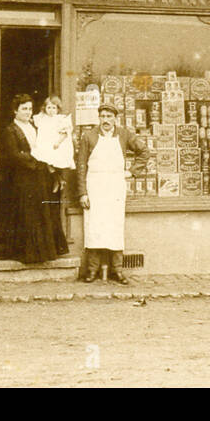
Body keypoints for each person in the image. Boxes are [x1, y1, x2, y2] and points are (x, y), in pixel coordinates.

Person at [76, 102, 148, 284]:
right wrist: (83, 193)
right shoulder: (89, 136)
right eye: (103, 116)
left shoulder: (124, 135)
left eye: (109, 117)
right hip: (95, 185)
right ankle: (92, 270)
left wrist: (132, 171)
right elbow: (81, 166)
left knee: (115, 226)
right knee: (94, 227)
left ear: (115, 118)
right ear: (98, 118)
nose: (106, 120)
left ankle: (117, 270)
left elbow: (144, 151)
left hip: (115, 186)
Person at [0, 95, 67, 263]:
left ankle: (41, 253)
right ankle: (26, 253)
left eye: (30, 109)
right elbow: (14, 155)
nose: (28, 112)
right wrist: (35, 160)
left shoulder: (35, 127)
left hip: (39, 176)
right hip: (21, 177)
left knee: (40, 213)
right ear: (15, 111)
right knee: (26, 214)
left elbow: (47, 145)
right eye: (24, 109)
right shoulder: (10, 130)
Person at [31, 95, 73, 258]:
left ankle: (58, 178)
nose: (51, 110)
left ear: (58, 109)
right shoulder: (41, 119)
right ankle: (57, 178)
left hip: (55, 144)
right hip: (44, 144)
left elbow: (64, 134)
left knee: (55, 160)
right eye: (48, 107)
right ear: (44, 108)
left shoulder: (61, 120)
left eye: (54, 108)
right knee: (44, 158)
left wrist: (58, 142)